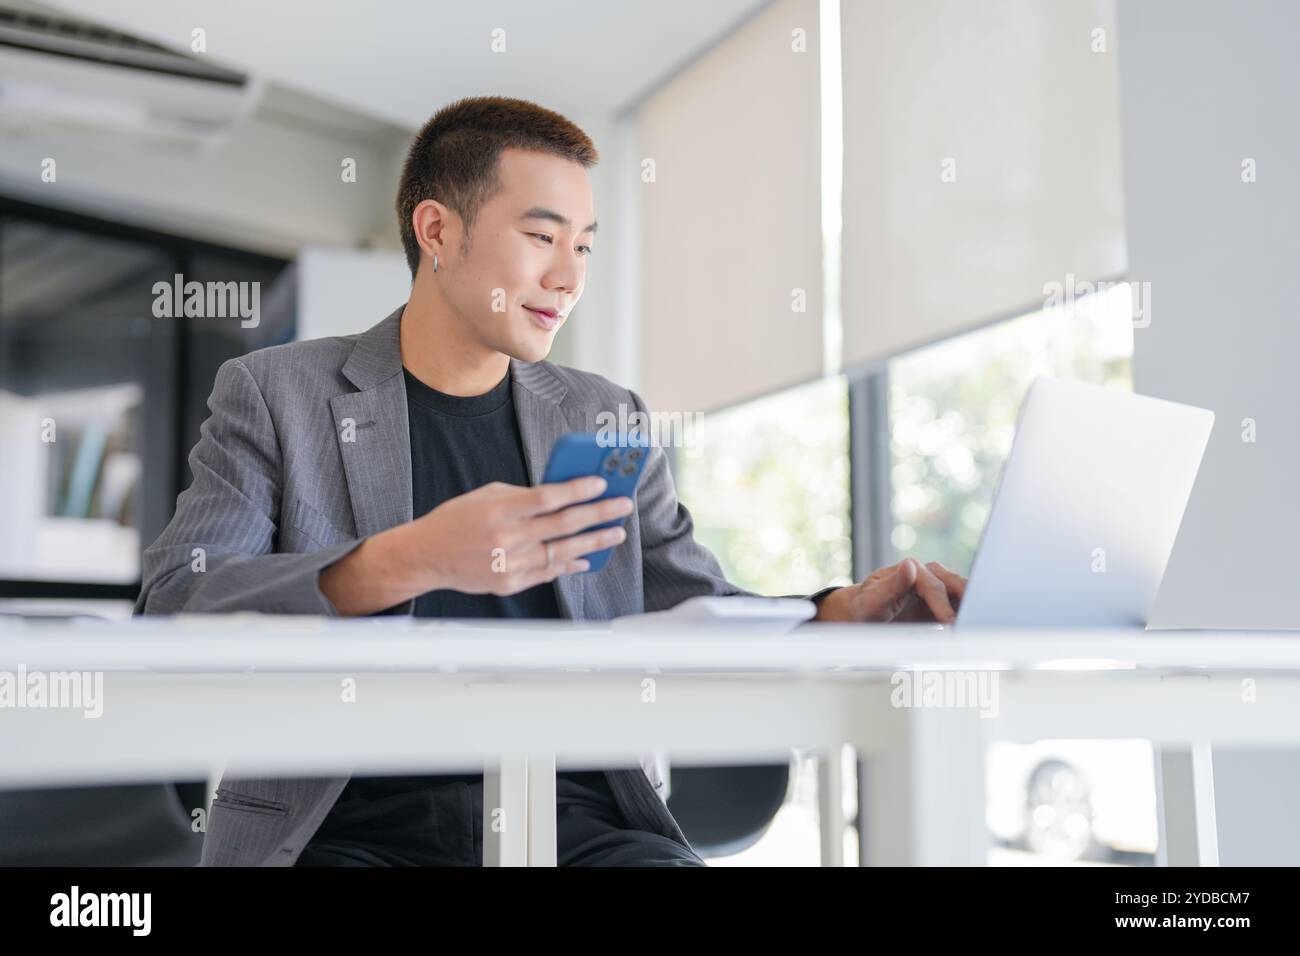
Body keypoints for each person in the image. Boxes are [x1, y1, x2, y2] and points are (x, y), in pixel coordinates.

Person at [135, 95, 965, 867]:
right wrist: (408, 559)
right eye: (542, 237)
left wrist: (835, 614)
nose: (569, 277)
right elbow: (176, 604)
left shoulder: (605, 413)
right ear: (437, 231)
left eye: (585, 246)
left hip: (579, 822)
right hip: (346, 829)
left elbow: (695, 605)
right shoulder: (277, 393)